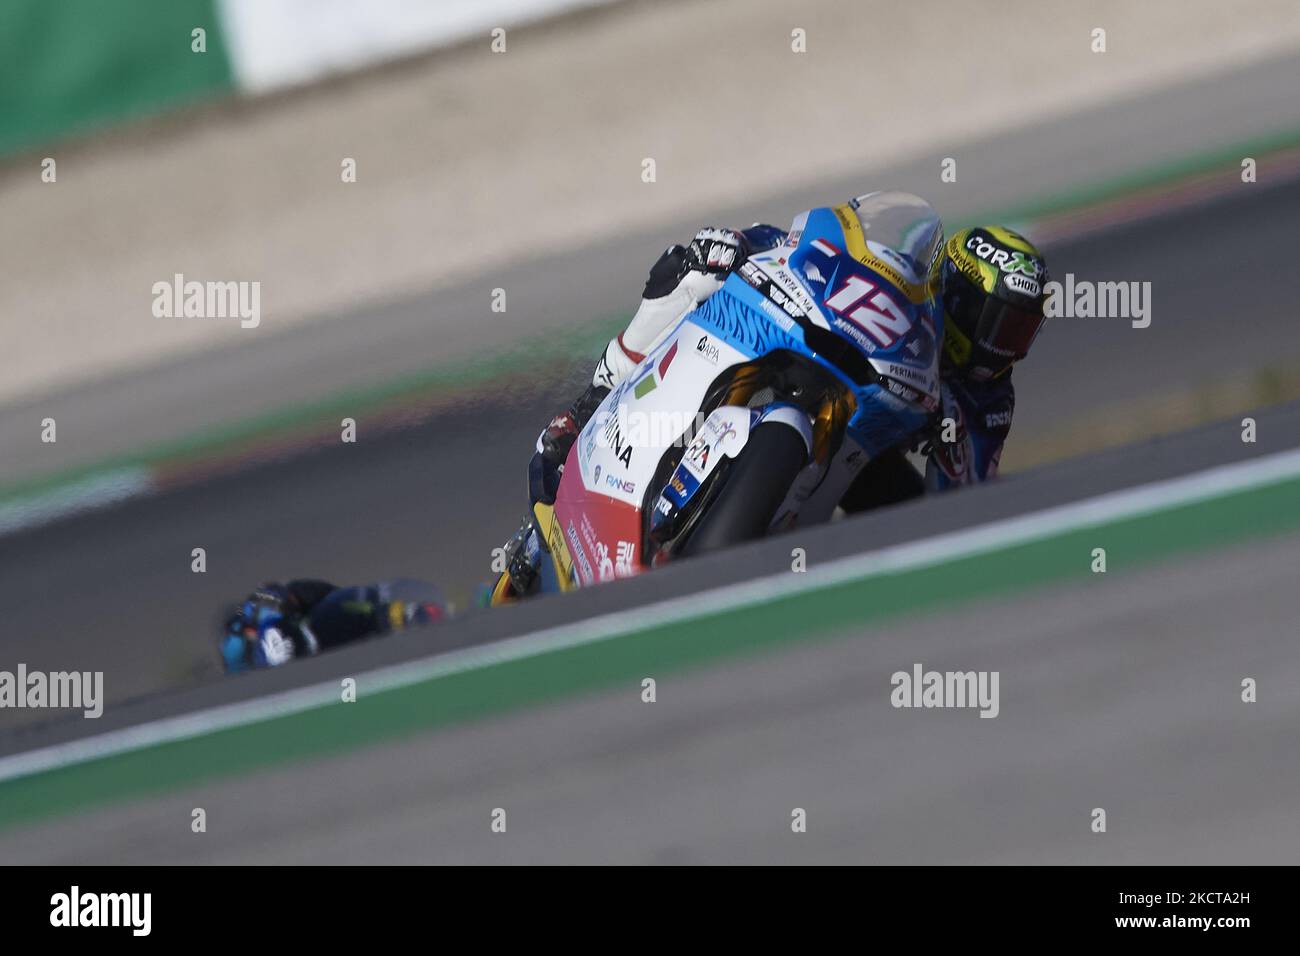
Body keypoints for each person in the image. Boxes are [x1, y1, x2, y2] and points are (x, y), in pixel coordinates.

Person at [531, 208, 1048, 514]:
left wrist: (951, 446)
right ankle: (588, 406)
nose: (1000, 345)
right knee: (690, 271)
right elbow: (792, 243)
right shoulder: (911, 302)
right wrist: (738, 243)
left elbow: (963, 507)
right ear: (951, 292)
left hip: (861, 449)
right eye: (992, 322)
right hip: (825, 363)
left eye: (1018, 332)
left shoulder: (989, 398)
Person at [220, 578, 443, 672]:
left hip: (315, 633)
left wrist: (287, 600)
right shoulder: (239, 647)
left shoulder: (258, 608)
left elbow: (276, 595)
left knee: (348, 609)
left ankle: (412, 613)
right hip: (310, 664)